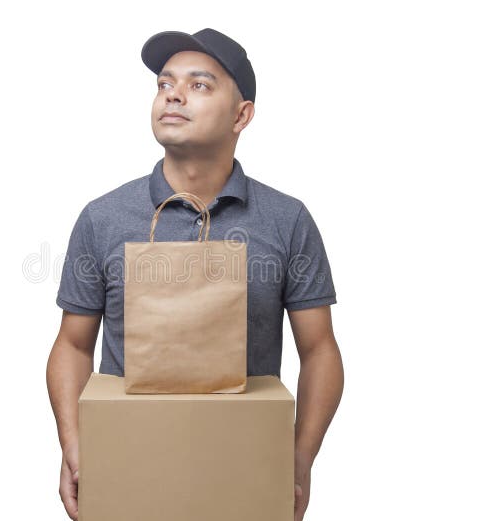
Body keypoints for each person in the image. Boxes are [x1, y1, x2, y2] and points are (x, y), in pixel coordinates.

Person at [46, 27, 344, 521]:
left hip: (243, 470)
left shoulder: (286, 220)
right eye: (164, 84)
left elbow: (319, 350)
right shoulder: (103, 217)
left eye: (200, 85)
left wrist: (298, 460)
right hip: (128, 466)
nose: (174, 95)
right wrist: (75, 445)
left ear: (242, 114)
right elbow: (73, 344)